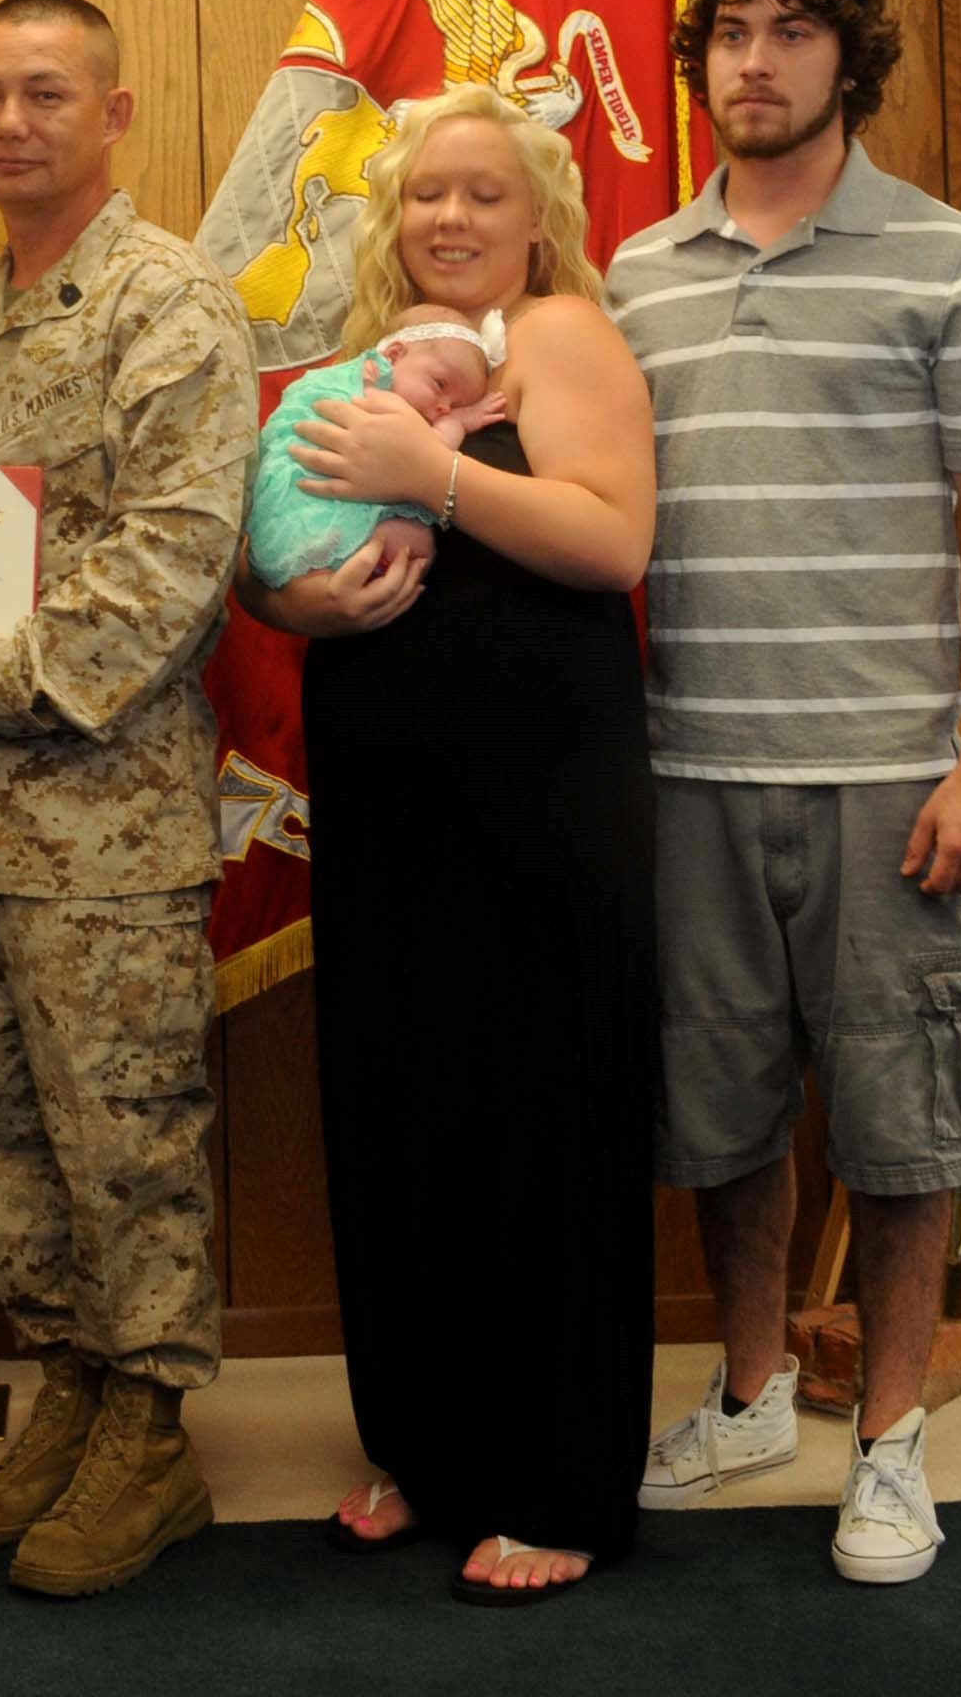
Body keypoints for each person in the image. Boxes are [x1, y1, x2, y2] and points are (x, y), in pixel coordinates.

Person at [613, 0, 961, 1585]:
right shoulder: (637, 272)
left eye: (793, 32)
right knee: (718, 1113)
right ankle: (749, 1392)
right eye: (729, 29)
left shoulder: (948, 260)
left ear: (850, 64)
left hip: (892, 773)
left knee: (902, 1115)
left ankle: (889, 1447)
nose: (755, 60)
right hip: (690, 769)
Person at [245, 80, 658, 1604]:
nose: (452, 218)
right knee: (400, 1098)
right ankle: (424, 1447)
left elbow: (615, 539)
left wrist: (440, 479)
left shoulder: (556, 338)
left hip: (544, 799)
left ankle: (558, 1482)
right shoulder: (369, 361)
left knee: (534, 1108)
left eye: (485, 193)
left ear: (538, 219)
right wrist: (293, 601)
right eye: (427, 194)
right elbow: (275, 560)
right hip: (389, 792)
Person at [0, 0, 258, 1598]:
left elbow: (176, 563)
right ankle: (73, 1389)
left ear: (114, 113)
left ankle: (153, 1433)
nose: (9, 123)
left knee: (123, 1136)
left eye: (46, 94)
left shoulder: (164, 301)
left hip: (102, 824)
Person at [244, 303, 507, 587]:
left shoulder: (364, 383)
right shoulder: (373, 395)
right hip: (313, 514)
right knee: (413, 541)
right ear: (394, 356)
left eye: (457, 404)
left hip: (296, 531)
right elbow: (434, 450)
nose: (444, 408)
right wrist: (458, 422)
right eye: (440, 385)